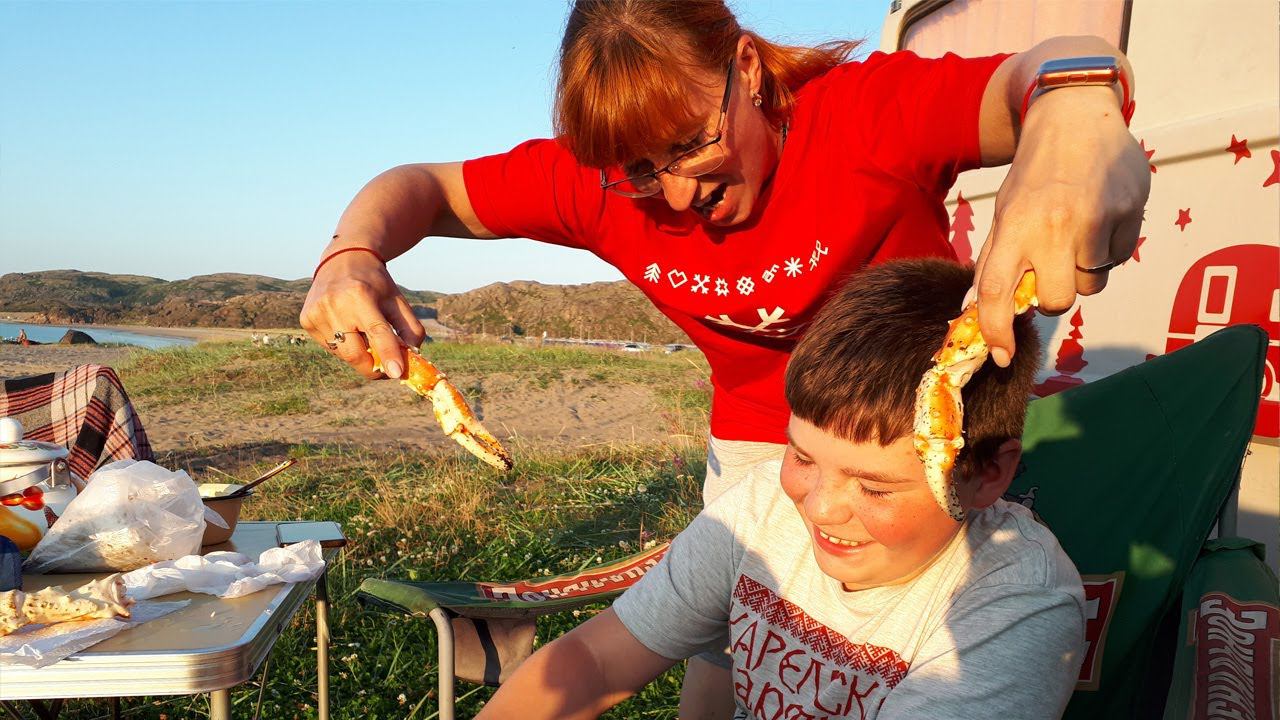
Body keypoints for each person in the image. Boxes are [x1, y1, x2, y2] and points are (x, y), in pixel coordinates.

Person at [300, 1, 1142, 712]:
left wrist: (1069, 120)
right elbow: (427, 186)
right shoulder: (599, 184)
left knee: (902, 641)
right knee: (738, 659)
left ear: (746, 67)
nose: (675, 193)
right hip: (758, 463)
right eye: (639, 169)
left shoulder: (862, 118)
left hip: (903, 448)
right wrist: (350, 254)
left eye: (692, 144)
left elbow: (1051, 67)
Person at [476, 258, 1083, 719]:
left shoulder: (1014, 605)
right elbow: (599, 658)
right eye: (801, 455)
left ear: (988, 473)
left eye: (874, 488)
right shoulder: (764, 505)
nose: (817, 507)